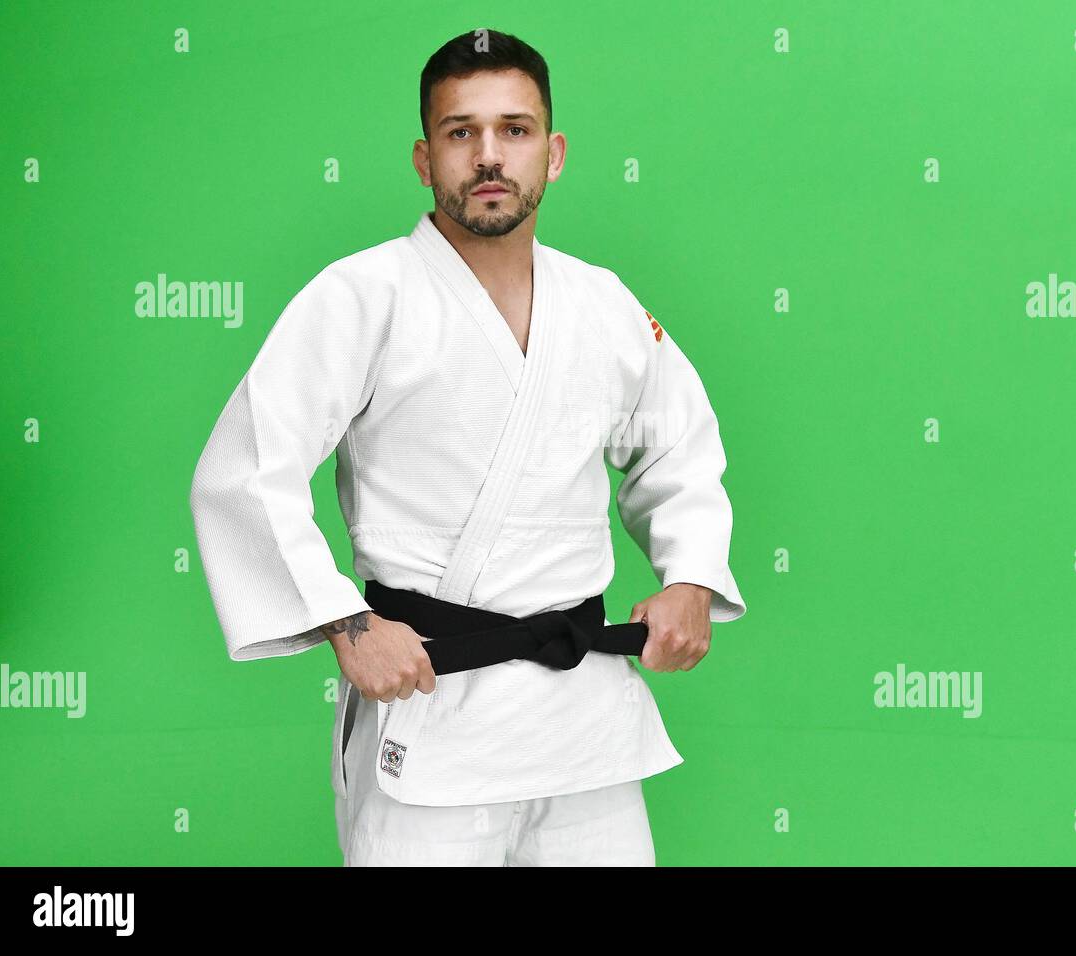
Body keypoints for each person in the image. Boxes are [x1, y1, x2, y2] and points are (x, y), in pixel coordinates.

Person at [188, 28, 746, 866]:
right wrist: (347, 622)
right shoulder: (360, 296)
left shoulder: (603, 304)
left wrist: (692, 578)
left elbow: (681, 450)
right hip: (430, 708)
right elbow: (243, 471)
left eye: (514, 130)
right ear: (425, 158)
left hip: (585, 725)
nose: (490, 156)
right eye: (461, 133)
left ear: (552, 153)